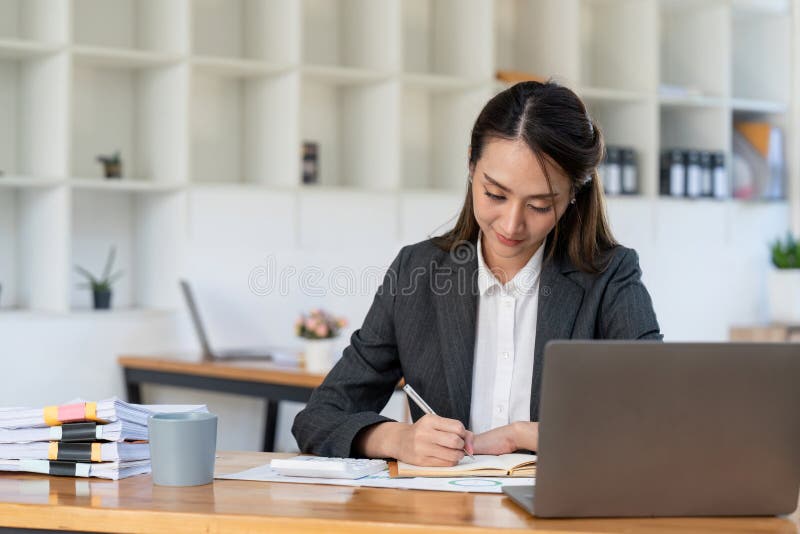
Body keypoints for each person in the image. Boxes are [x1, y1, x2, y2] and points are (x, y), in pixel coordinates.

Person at [292, 80, 662, 467]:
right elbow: (318, 419)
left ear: (573, 195)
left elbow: (658, 421)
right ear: (471, 165)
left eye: (539, 205)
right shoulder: (416, 272)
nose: (511, 224)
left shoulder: (609, 277)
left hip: (559, 517)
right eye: (496, 195)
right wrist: (397, 438)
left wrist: (523, 435)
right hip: (447, 520)